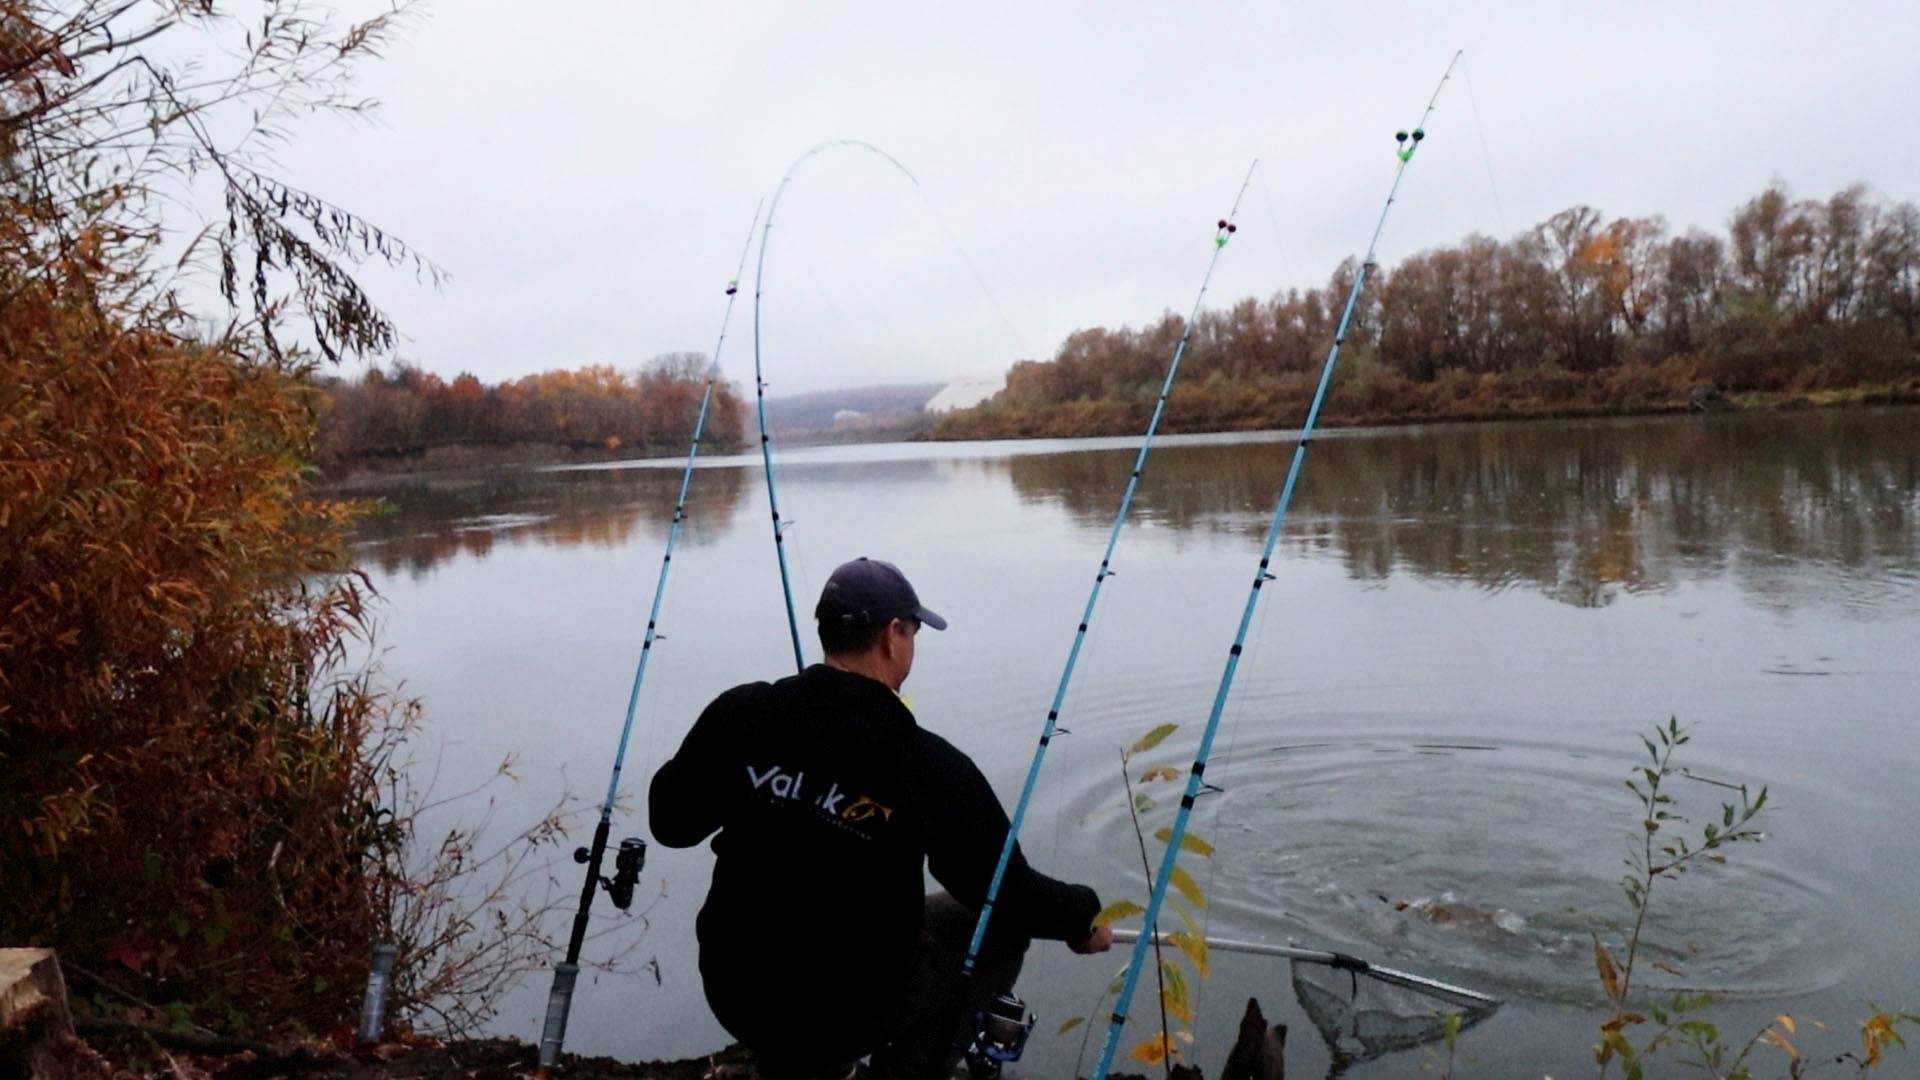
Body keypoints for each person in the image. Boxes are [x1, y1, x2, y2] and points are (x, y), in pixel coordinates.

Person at [650, 557, 1113, 1079]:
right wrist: (1082, 917)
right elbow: (1007, 891)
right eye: (913, 631)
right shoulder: (929, 764)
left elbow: (670, 823)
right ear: (893, 635)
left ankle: (803, 1065)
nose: (912, 643)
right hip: (853, 1010)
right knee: (994, 928)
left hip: (735, 989)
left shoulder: (742, 713)